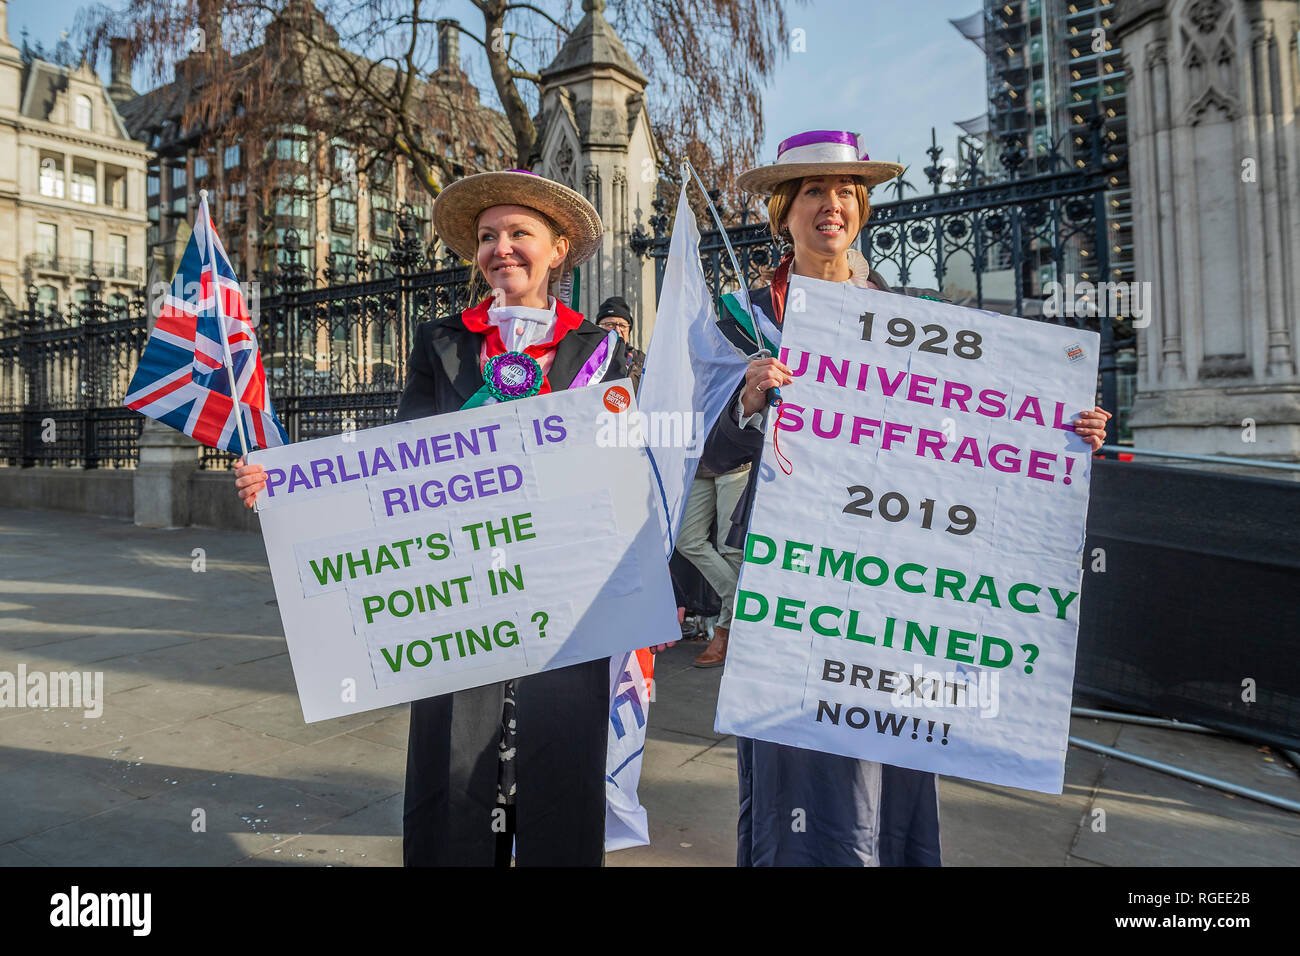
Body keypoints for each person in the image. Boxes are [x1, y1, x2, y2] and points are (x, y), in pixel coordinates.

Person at [233, 169, 675, 866]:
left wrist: (646, 590)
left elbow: (627, 474)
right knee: (457, 763)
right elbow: (395, 461)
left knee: (562, 760)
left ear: (558, 248)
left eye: (520, 233)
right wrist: (288, 486)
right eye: (489, 236)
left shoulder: (601, 351)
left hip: (565, 593)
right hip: (460, 591)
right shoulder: (442, 343)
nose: (502, 248)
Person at [702, 130, 1112, 867]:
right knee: (802, 731)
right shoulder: (742, 317)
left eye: (846, 192)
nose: (831, 204)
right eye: (812, 191)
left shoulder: (916, 317)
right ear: (783, 212)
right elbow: (699, 448)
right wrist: (748, 403)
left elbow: (977, 429)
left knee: (888, 730)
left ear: (861, 210)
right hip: (793, 562)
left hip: (895, 564)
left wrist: (1065, 431)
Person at [675, 458, 750, 667]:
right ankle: (743, 605)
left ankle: (723, 632)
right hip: (698, 463)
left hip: (736, 459)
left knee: (731, 549)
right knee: (687, 541)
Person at [594, 296, 646, 392]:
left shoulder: (643, 361)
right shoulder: (588, 359)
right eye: (610, 324)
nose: (617, 330)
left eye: (622, 325)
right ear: (598, 328)